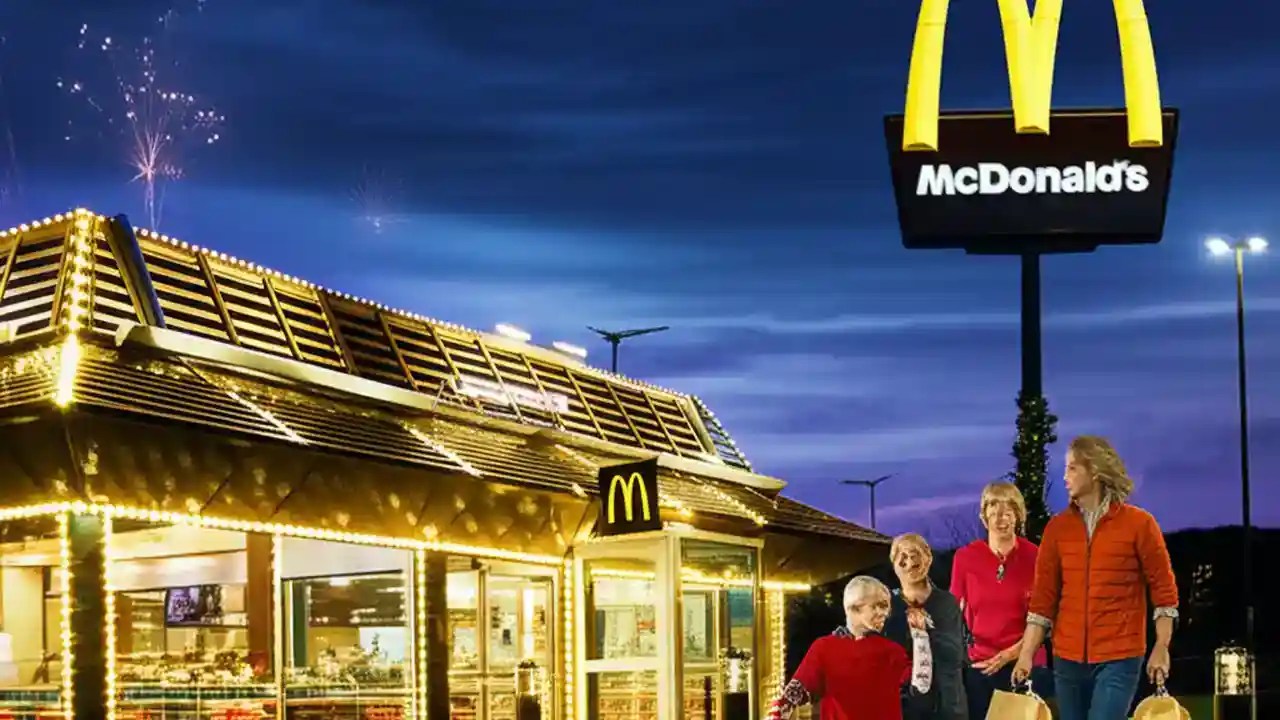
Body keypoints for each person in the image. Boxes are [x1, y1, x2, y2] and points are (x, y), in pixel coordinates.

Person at [1012, 435, 1179, 720]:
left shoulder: (1140, 525)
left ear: (1096, 471)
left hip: (1120, 656)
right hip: (1067, 660)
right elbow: (1043, 600)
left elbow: (1164, 594)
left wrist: (1161, 646)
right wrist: (1027, 653)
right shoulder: (1057, 529)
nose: (1064, 477)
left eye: (1072, 468)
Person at [951, 482, 1052, 719]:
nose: (1001, 519)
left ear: (1018, 516)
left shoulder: (1036, 557)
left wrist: (1011, 654)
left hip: (1027, 663)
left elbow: (1047, 618)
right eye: (994, 513)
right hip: (980, 666)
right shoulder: (965, 558)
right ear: (984, 517)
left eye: (1008, 512)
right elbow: (953, 613)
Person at [767, 575, 910, 720]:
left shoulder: (892, 651)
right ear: (854, 607)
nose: (884, 613)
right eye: (877, 606)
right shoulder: (825, 648)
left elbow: (920, 685)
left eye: (885, 607)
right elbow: (795, 693)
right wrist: (779, 711)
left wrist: (921, 636)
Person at [883, 533, 968, 720]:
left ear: (928, 558)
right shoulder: (887, 605)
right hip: (904, 708)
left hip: (947, 706)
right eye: (902, 555)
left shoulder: (947, 603)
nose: (909, 560)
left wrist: (924, 630)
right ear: (894, 564)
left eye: (915, 553)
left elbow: (954, 654)